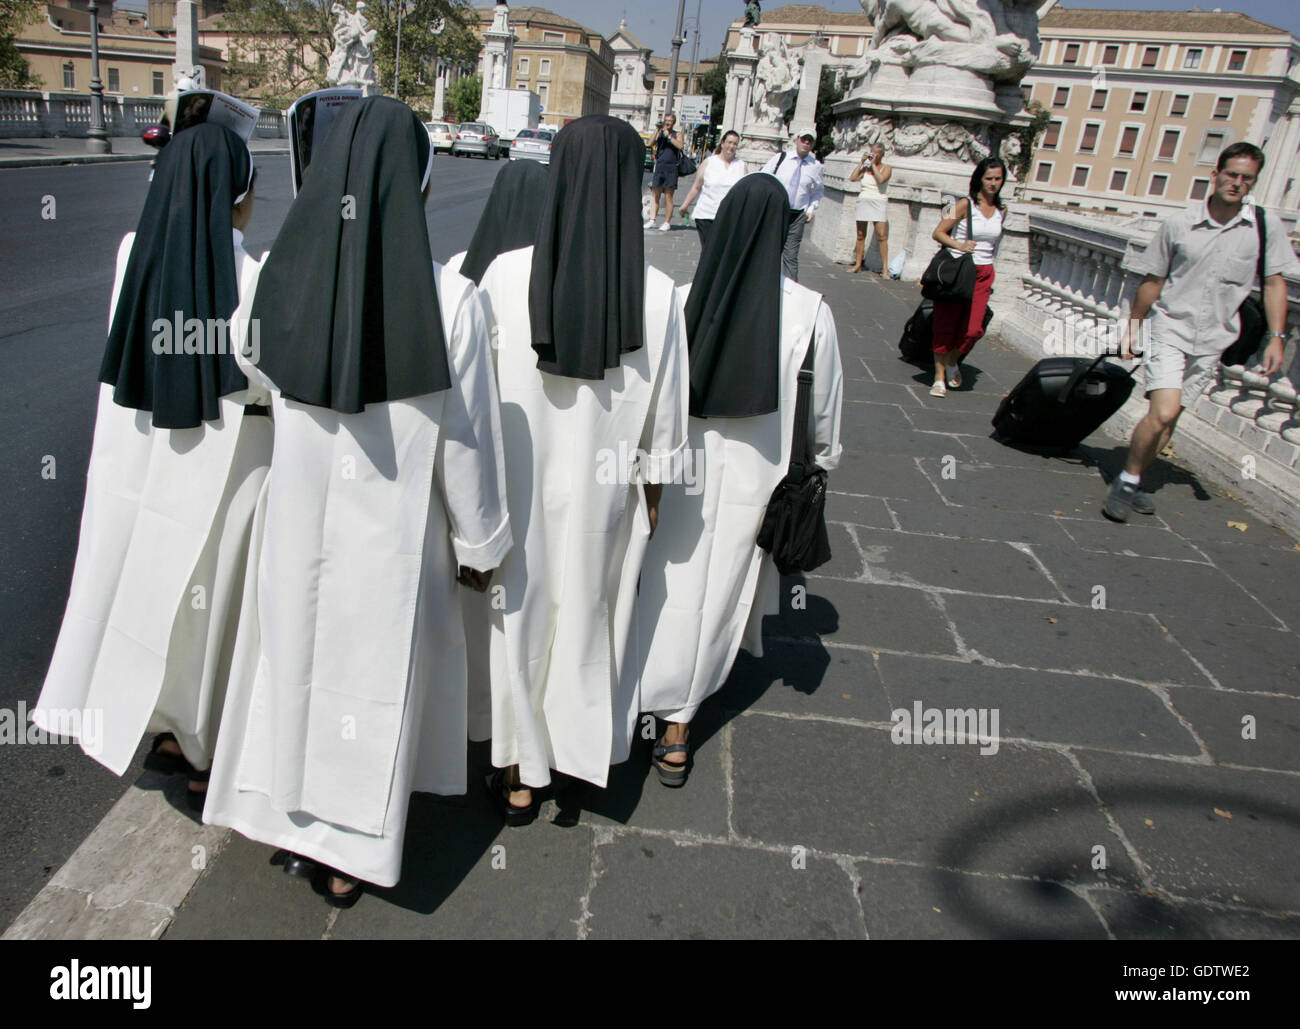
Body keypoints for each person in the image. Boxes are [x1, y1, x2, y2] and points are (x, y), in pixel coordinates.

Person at [203, 97, 512, 907]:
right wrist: (481, 543)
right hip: (395, 532)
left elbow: (254, 367)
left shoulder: (277, 273)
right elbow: (468, 441)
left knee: (295, 657)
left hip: (299, 512)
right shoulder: (452, 302)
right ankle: (349, 852)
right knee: (368, 685)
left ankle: (289, 816)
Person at [31, 123, 269, 811]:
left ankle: (159, 724)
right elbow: (255, 375)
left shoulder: (132, 249)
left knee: (140, 583)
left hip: (135, 442)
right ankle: (198, 746)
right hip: (221, 463)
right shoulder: (251, 276)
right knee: (205, 599)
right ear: (237, 194)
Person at [465, 115, 688, 824]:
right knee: (589, 616)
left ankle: (517, 770)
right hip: (605, 490)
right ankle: (573, 748)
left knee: (517, 622)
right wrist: (652, 500)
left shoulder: (504, 274)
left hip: (520, 483)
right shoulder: (659, 295)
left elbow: (472, 397)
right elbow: (668, 429)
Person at [621, 173, 843, 785]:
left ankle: (631, 701)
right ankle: (676, 730)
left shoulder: (683, 296)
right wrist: (822, 463)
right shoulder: (809, 314)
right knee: (717, 601)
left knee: (659, 588)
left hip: (675, 475)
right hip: (758, 482)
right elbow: (824, 421)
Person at [1104, 141, 1297, 522]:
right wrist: (1133, 327)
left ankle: (1137, 474)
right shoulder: (1179, 224)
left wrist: (1277, 337)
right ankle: (1126, 480)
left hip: (1216, 338)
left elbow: (1275, 283)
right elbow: (1153, 279)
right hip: (1171, 327)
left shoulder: (1262, 226)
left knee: (1172, 418)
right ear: (1215, 175)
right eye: (1231, 175)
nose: (1237, 183)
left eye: (1247, 178)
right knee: (1162, 412)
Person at [929, 156, 1006, 397]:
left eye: (998, 178)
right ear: (979, 179)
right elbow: (938, 232)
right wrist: (959, 245)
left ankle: (953, 360)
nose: (993, 183)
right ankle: (939, 377)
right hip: (959, 270)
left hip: (984, 273)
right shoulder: (964, 204)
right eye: (989, 178)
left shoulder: (1002, 210)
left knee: (974, 329)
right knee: (946, 324)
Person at [761, 129, 824, 282]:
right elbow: (763, 178)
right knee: (770, 251)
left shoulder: (815, 166)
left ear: (813, 144)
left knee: (791, 255)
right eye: (803, 139)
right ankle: (764, 284)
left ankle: (791, 290)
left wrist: (811, 208)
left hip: (797, 215)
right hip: (776, 212)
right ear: (797, 140)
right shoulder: (781, 158)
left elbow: (818, 191)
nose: (806, 143)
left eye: (810, 141)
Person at [678, 129, 746, 249]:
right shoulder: (709, 162)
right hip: (706, 214)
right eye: (729, 142)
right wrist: (684, 205)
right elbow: (696, 186)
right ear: (723, 143)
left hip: (729, 217)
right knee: (709, 251)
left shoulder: (741, 166)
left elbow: (746, 193)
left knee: (722, 251)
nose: (731, 146)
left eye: (735, 144)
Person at [848, 143, 891, 275]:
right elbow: (853, 178)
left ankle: (884, 268)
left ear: (882, 154)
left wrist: (872, 165)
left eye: (876, 153)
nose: (874, 155)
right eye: (872, 152)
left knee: (882, 236)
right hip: (864, 199)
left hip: (878, 200)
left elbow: (881, 180)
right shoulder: (865, 168)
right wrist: (861, 163)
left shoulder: (887, 168)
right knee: (860, 235)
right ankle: (858, 264)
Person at [646, 112, 686, 232]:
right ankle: (652, 220)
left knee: (668, 196)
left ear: (673, 123)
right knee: (655, 195)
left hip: (671, 168)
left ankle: (667, 222)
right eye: (666, 120)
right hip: (660, 166)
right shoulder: (660, 132)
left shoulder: (677, 134)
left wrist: (669, 136)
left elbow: (680, 146)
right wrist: (656, 130)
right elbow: (649, 143)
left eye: (670, 121)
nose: (667, 122)